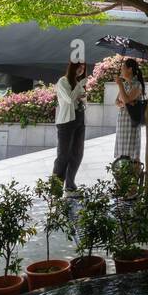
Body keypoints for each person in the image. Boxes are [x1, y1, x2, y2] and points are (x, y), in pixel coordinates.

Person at [53, 59, 87, 197]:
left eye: (83, 68)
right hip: (66, 122)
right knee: (63, 155)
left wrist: (83, 96)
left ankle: (70, 187)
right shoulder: (63, 81)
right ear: (72, 67)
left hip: (79, 119)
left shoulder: (78, 83)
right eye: (79, 67)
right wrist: (80, 88)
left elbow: (82, 100)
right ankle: (55, 190)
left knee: (77, 154)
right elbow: (68, 99)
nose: (81, 70)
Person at [114, 57, 145, 163]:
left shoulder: (137, 84)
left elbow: (126, 100)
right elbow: (117, 102)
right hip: (122, 122)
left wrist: (120, 85)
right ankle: (124, 176)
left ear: (130, 69)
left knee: (132, 155)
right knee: (122, 155)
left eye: (123, 68)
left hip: (131, 122)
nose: (122, 70)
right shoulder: (126, 84)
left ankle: (135, 177)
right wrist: (126, 102)